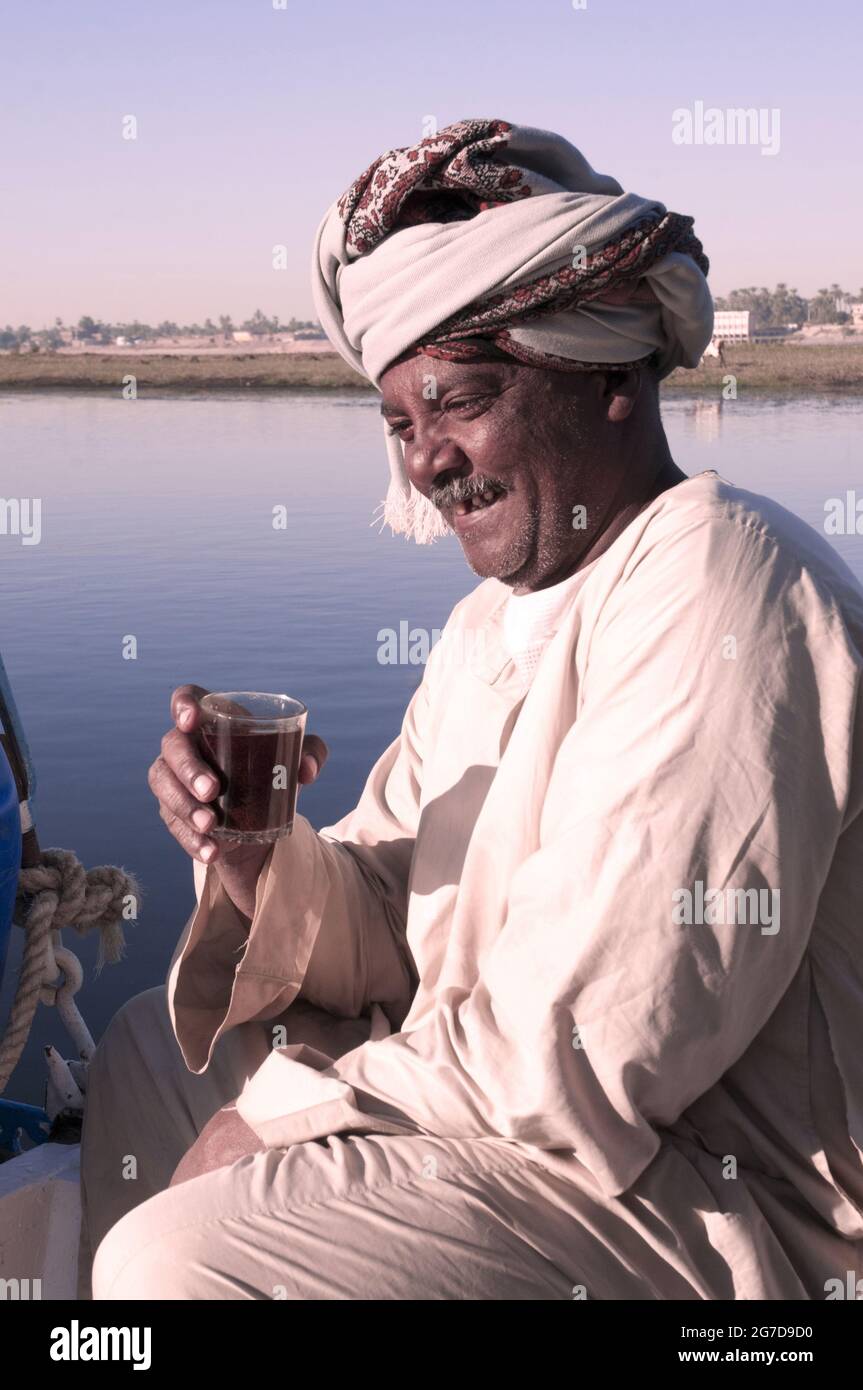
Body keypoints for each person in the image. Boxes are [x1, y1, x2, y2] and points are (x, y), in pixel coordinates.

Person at [81, 119, 863, 1301]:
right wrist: (256, 857)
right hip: (542, 1139)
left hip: (718, 1207)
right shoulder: (489, 628)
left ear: (600, 371)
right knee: (150, 1049)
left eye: (454, 403)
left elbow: (585, 1041)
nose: (426, 463)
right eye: (400, 424)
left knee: (175, 1255)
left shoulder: (720, 585)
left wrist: (266, 1126)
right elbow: (398, 925)